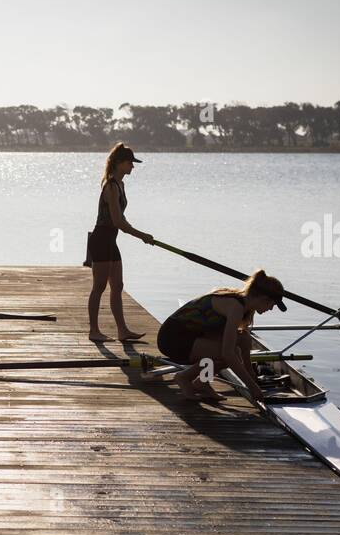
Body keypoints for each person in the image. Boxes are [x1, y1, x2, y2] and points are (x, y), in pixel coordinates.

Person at [156, 269, 288, 402]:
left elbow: (244, 341)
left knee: (243, 338)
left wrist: (251, 374)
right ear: (264, 298)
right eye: (273, 304)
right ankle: (184, 377)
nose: (271, 308)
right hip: (172, 338)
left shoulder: (245, 305)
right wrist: (252, 387)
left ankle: (202, 383)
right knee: (230, 354)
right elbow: (228, 354)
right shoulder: (235, 306)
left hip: (192, 336)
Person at [86, 143, 153, 343]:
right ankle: (94, 331)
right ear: (119, 163)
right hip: (101, 240)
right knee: (99, 287)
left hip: (111, 241)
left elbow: (121, 220)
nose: (133, 167)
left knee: (118, 285)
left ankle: (122, 331)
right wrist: (142, 235)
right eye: (130, 163)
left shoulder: (121, 185)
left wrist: (138, 232)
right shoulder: (111, 186)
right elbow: (117, 222)